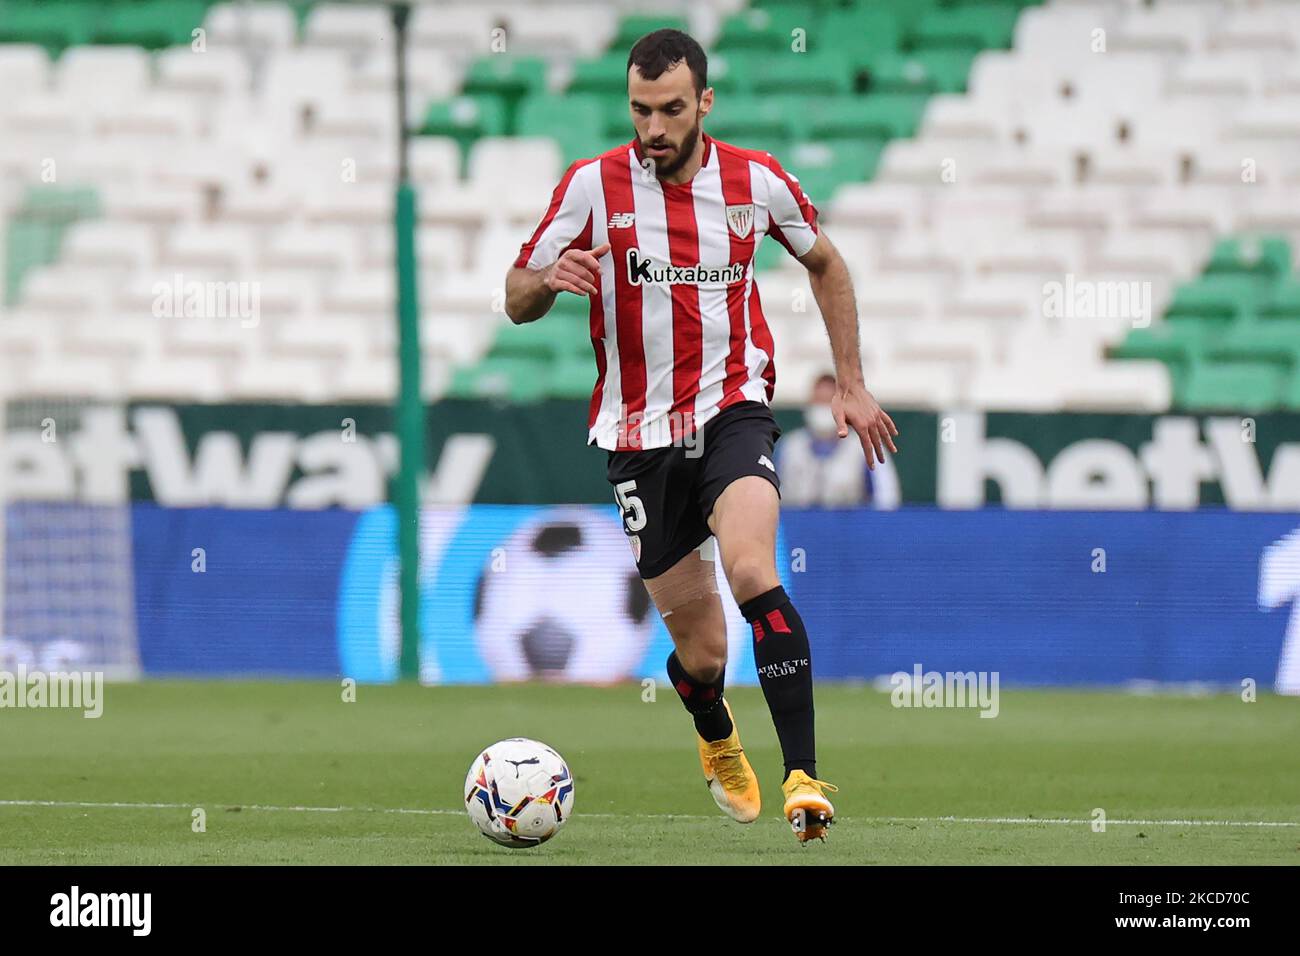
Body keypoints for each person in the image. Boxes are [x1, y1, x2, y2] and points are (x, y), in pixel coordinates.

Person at [503, 29, 898, 843]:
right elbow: (514, 297)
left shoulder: (755, 183)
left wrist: (851, 383)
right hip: (637, 437)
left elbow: (827, 264)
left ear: (704, 103)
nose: (654, 127)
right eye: (641, 110)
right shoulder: (591, 187)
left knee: (753, 567)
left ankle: (803, 778)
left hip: (733, 410)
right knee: (706, 655)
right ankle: (715, 732)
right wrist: (548, 280)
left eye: (671, 110)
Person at [780, 374, 902, 509]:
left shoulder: (864, 447)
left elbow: (887, 499)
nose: (823, 408)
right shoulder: (790, 447)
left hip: (850, 526)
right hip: (797, 525)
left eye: (828, 402)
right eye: (818, 402)